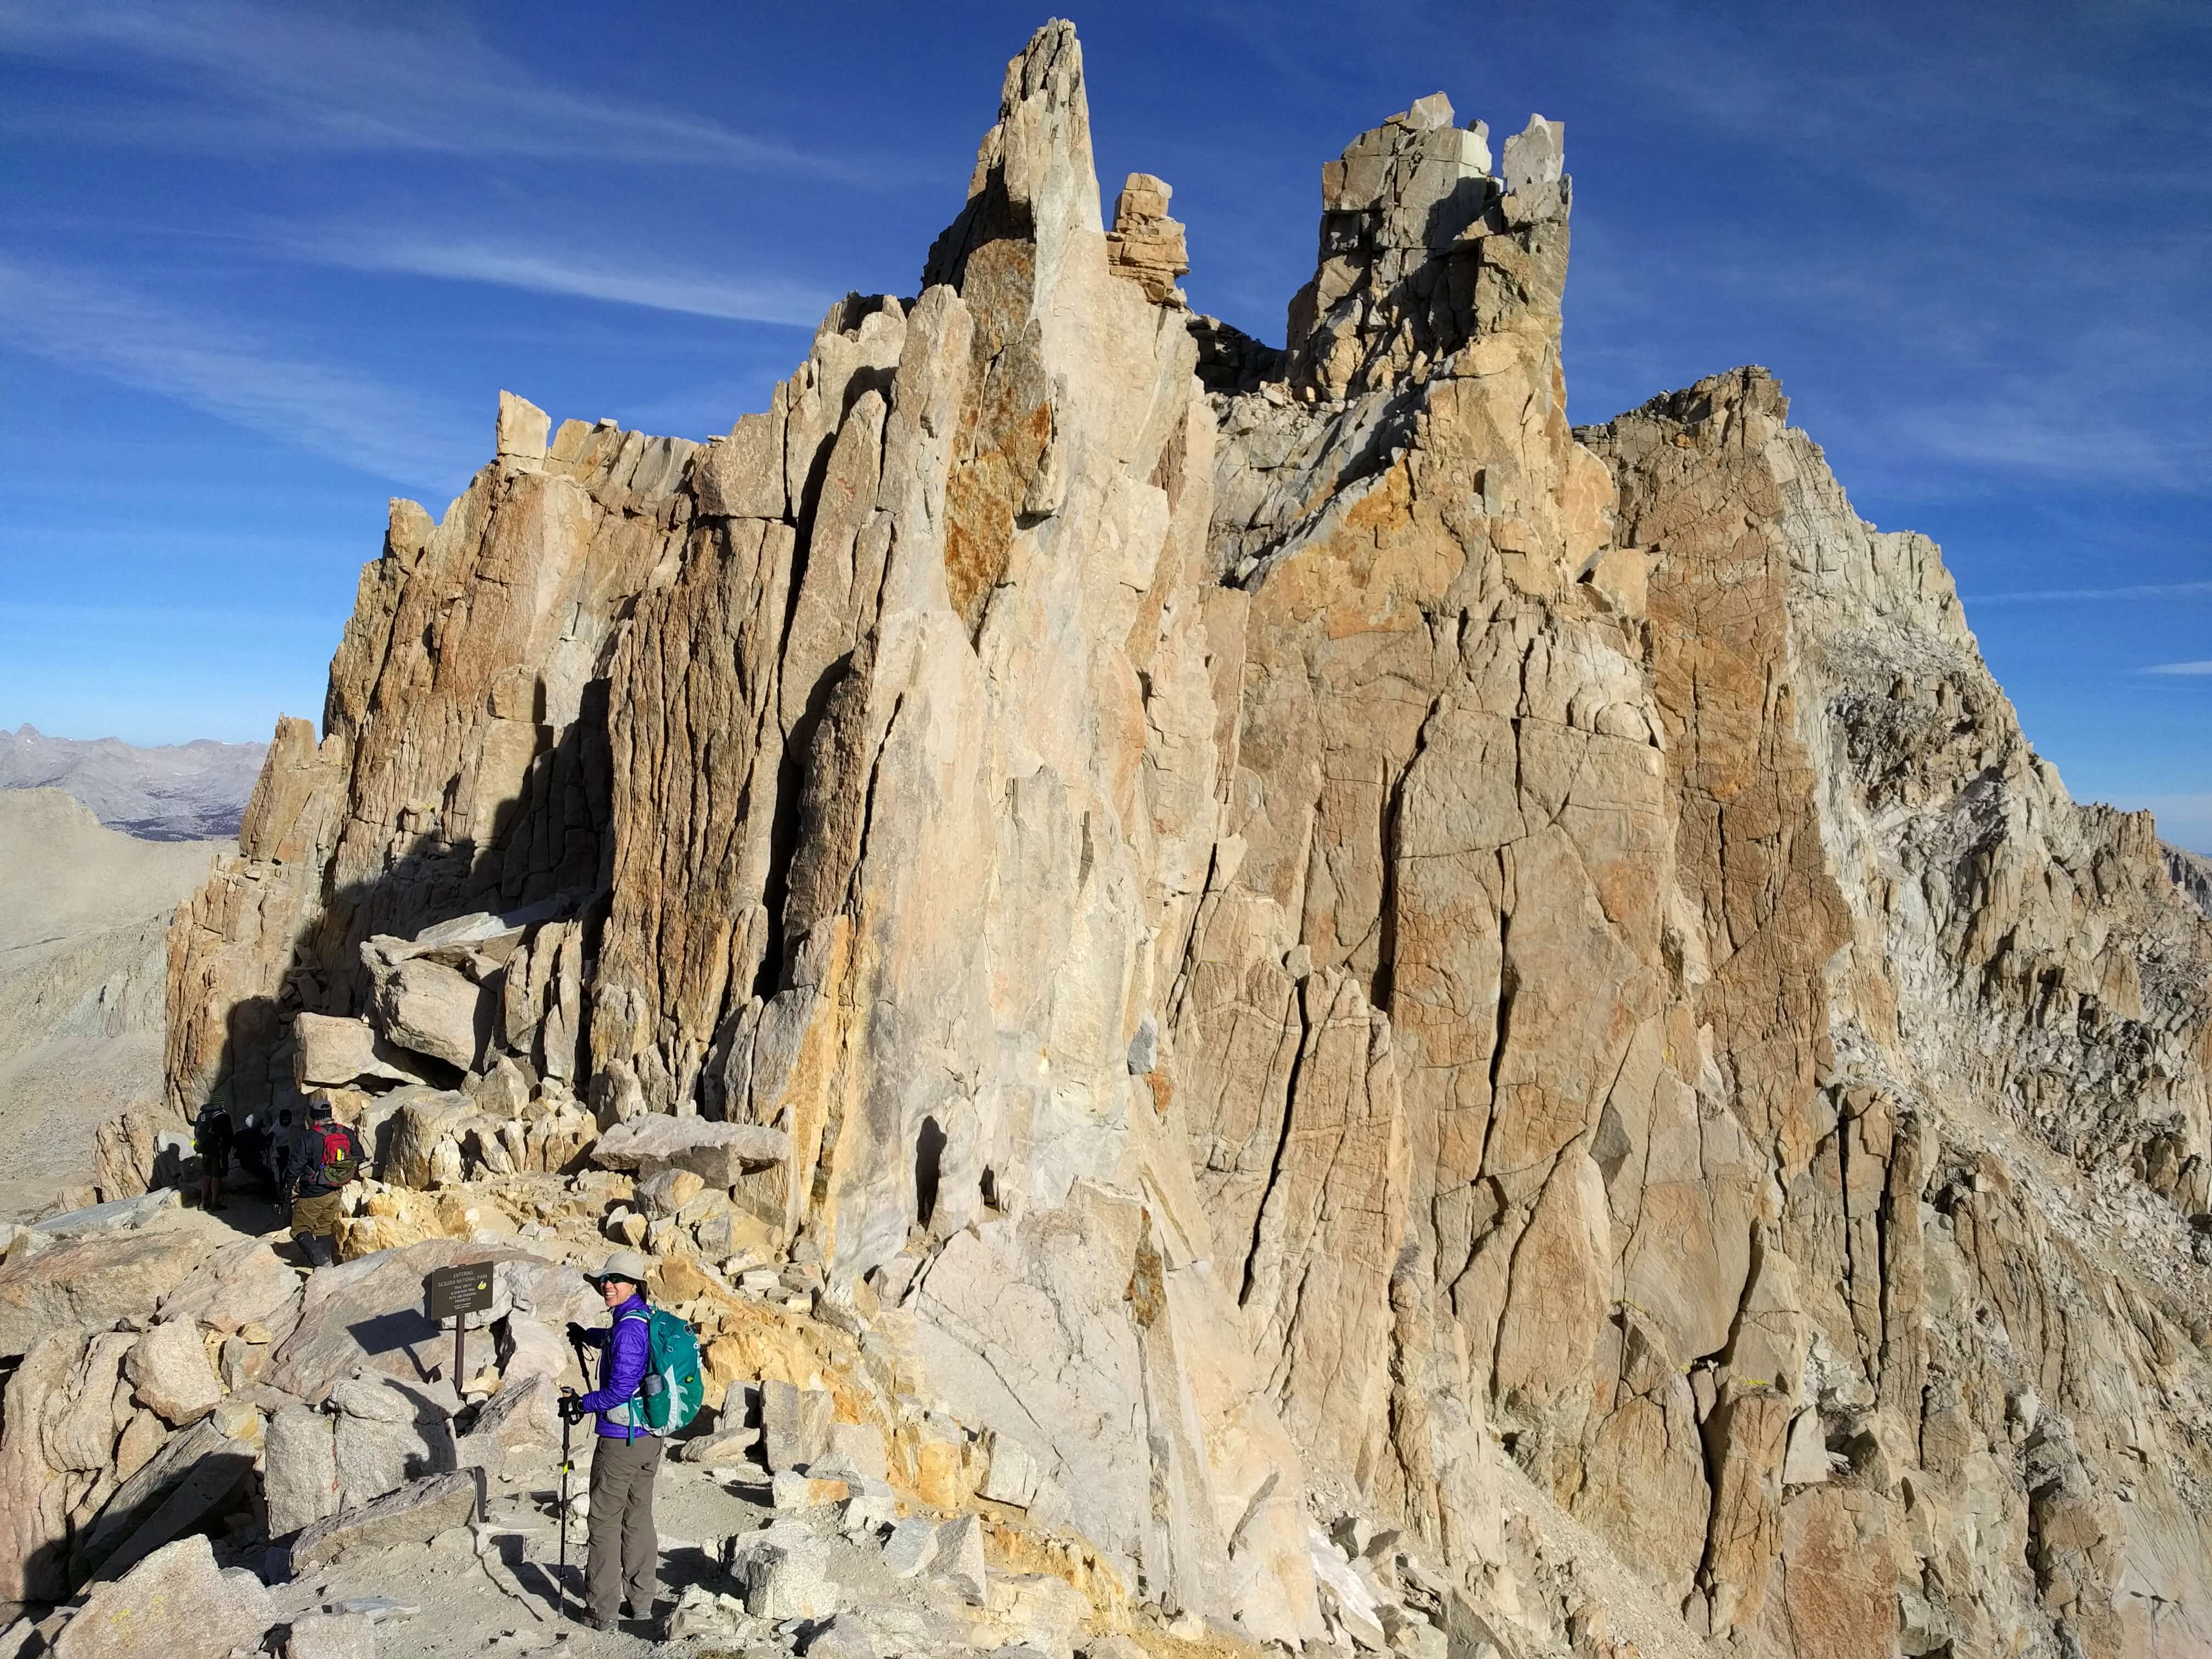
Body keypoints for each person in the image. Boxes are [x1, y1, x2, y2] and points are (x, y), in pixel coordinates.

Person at [562, 1249, 663, 1630]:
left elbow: (620, 1389)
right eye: (604, 1280)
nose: (607, 1285)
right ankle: (641, 1602)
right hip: (648, 1439)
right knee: (637, 1518)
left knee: (603, 1522)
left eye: (615, 1280)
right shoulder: (640, 1317)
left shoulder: (629, 1328)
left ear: (634, 1284)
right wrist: (587, 1335)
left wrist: (581, 1403)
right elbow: (617, 1341)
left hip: (622, 1441)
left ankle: (601, 1611)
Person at [289, 1097, 362, 1267]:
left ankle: (320, 1260)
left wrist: (285, 1191)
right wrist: (338, 1172)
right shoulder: (345, 1132)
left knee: (300, 1229)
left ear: (313, 1116)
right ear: (329, 1114)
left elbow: (294, 1168)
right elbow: (360, 1155)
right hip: (336, 1191)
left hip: (312, 1193)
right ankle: (324, 1266)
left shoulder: (309, 1137)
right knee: (323, 1229)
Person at [193, 1106, 234, 1211]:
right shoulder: (224, 1117)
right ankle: (215, 1203)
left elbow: (197, 1134)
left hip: (205, 1150)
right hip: (218, 1151)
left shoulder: (202, 1116)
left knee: (206, 1175)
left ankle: (203, 1202)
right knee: (216, 1176)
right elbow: (228, 1136)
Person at [270, 1107, 298, 1205]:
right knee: (281, 1172)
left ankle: (286, 1190)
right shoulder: (275, 1129)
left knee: (288, 1170)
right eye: (284, 1119)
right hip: (279, 1151)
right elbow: (271, 1143)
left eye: (288, 1119)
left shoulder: (290, 1125)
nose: (286, 1121)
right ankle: (281, 1193)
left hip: (287, 1148)